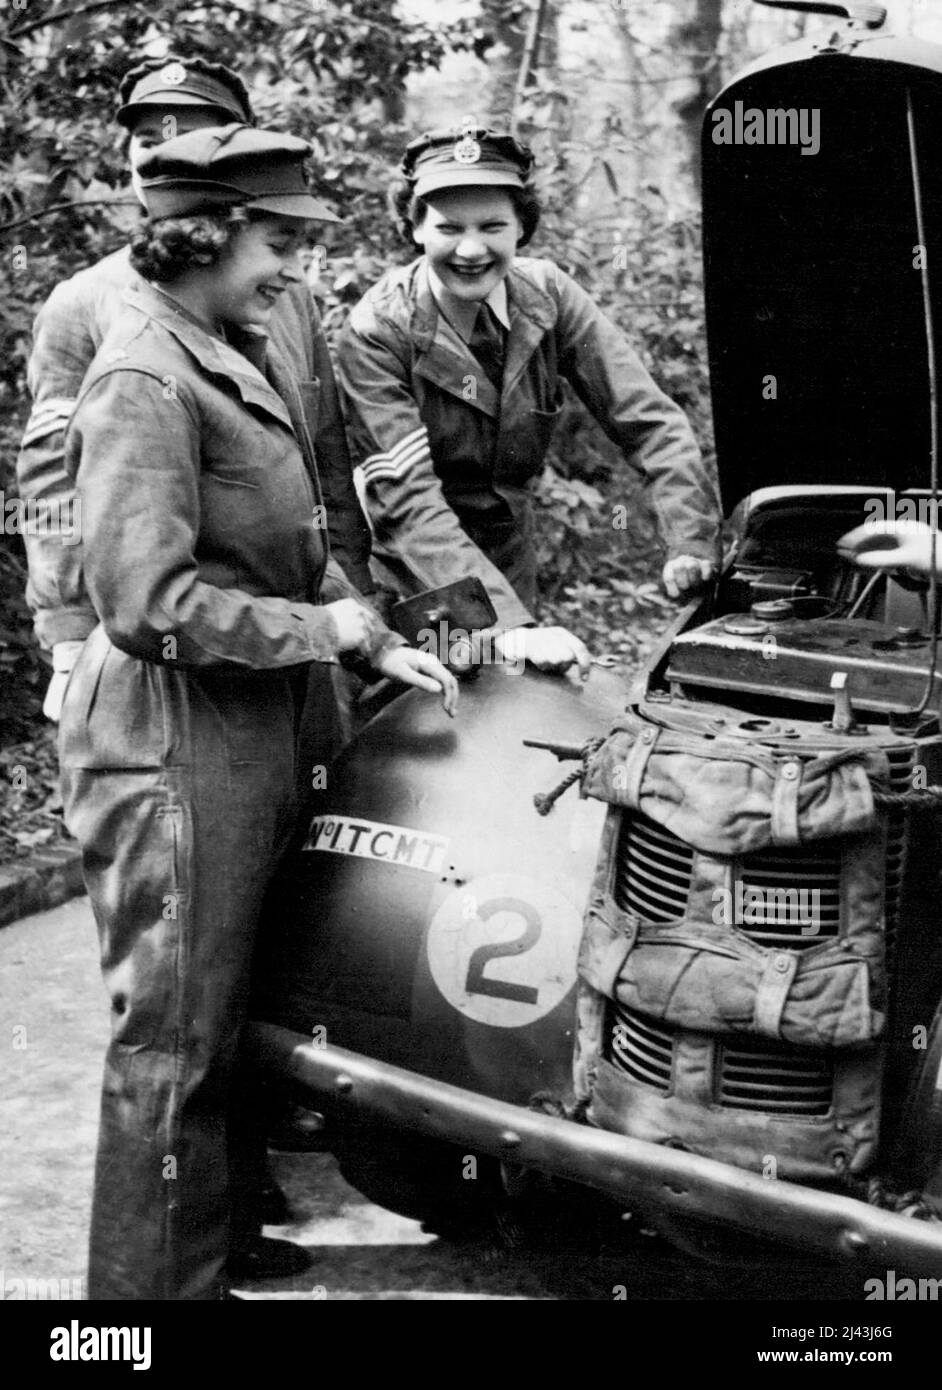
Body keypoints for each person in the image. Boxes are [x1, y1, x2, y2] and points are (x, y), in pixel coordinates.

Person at [58, 123, 458, 1301]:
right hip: (173, 741)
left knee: (236, 1017)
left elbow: (293, 552)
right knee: (172, 1042)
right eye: (278, 240)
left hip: (262, 727)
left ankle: (218, 1251)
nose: (293, 266)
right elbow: (145, 603)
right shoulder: (142, 376)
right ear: (207, 232)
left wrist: (372, 636)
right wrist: (317, 634)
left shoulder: (224, 346)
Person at [17, 55, 371, 722]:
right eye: (151, 141)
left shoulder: (281, 293)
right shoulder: (85, 303)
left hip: (282, 628)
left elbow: (320, 449)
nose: (169, 152)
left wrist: (350, 607)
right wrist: (67, 638)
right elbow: (48, 483)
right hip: (160, 639)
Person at [336, 125, 722, 677]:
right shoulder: (378, 331)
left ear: (522, 228)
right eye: (448, 228)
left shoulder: (548, 295)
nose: (471, 249)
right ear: (416, 228)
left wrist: (690, 538)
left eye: (493, 226)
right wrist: (509, 629)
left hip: (507, 553)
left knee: (515, 719)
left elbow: (650, 421)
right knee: (418, 728)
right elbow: (407, 502)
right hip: (413, 569)